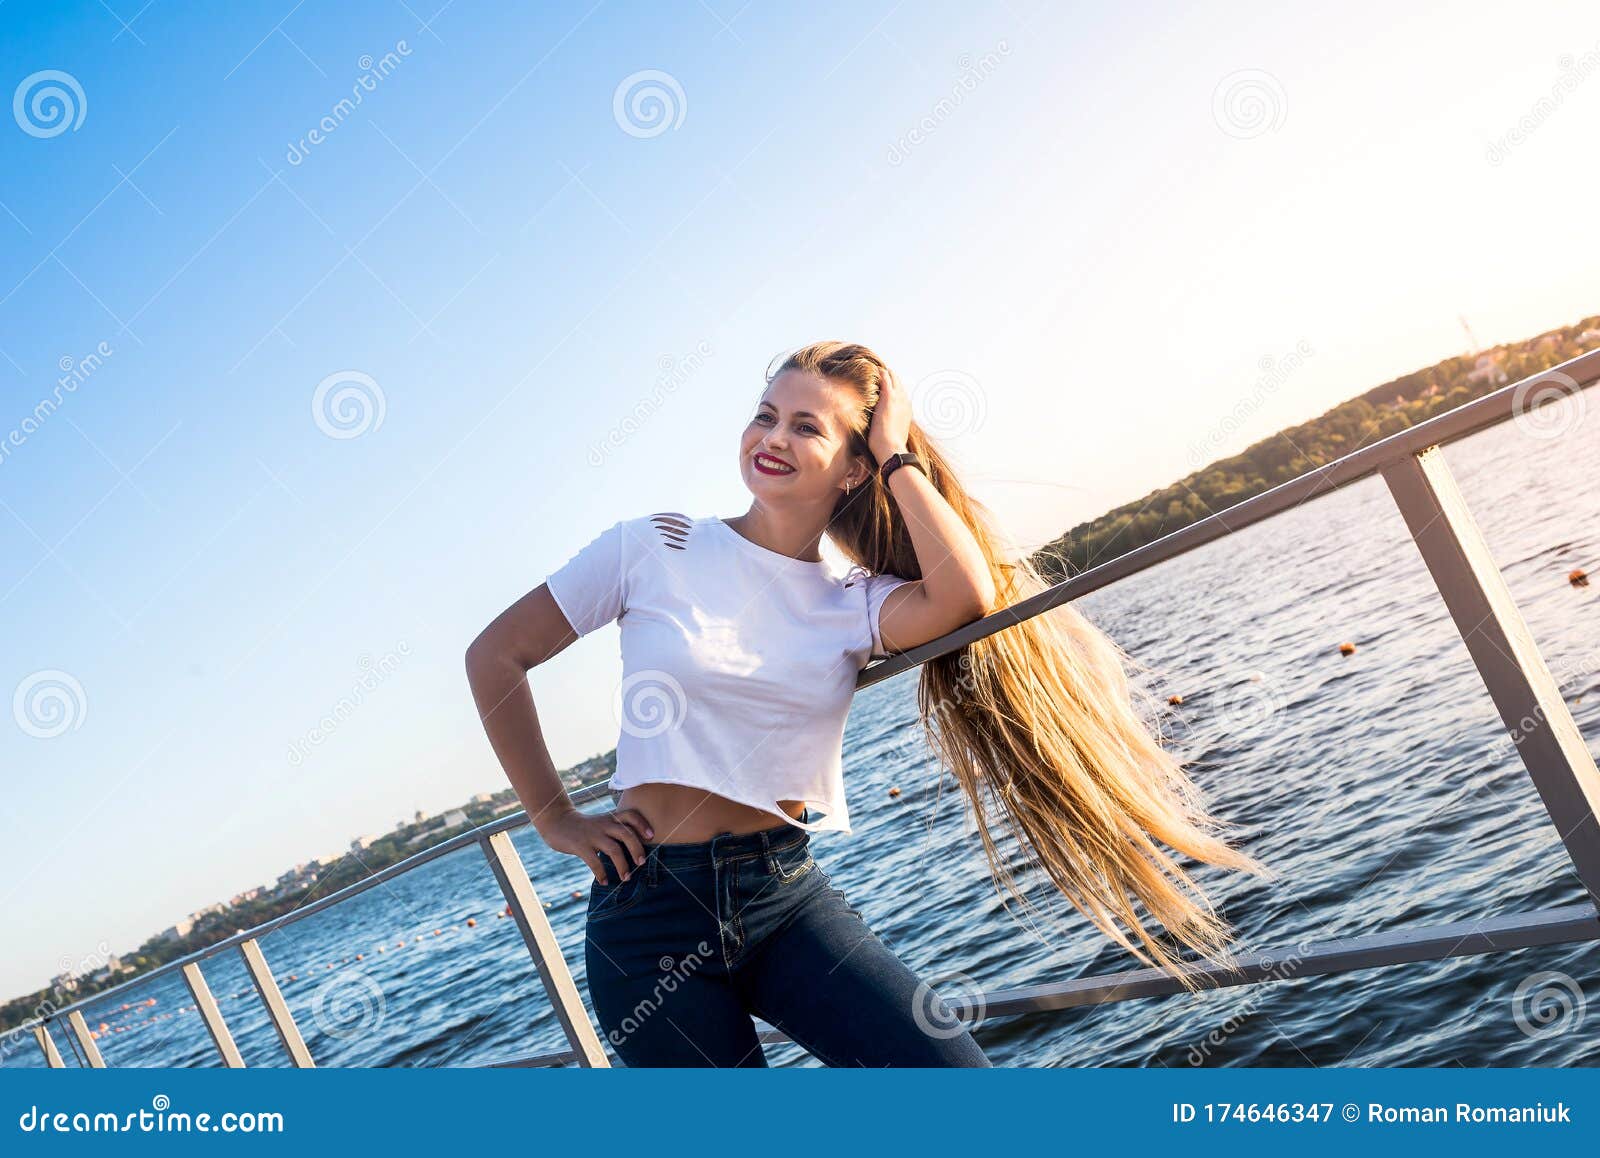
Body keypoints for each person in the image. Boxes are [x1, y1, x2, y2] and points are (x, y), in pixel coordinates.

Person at [465, 341, 1261, 1067]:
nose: (772, 437)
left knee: (955, 1083)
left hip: (779, 893)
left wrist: (897, 455)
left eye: (806, 427)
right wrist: (555, 819)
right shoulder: (654, 546)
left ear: (851, 468)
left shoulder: (853, 601)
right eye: (764, 415)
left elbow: (965, 590)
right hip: (646, 915)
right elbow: (496, 655)